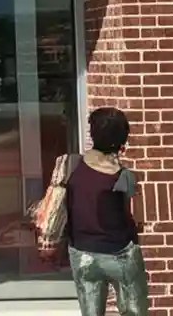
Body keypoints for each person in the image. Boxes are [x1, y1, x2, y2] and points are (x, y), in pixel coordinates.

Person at [66, 107, 148, 316]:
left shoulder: (72, 167)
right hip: (119, 252)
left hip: (82, 253)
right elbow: (138, 219)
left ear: (93, 134)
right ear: (122, 139)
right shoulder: (125, 176)